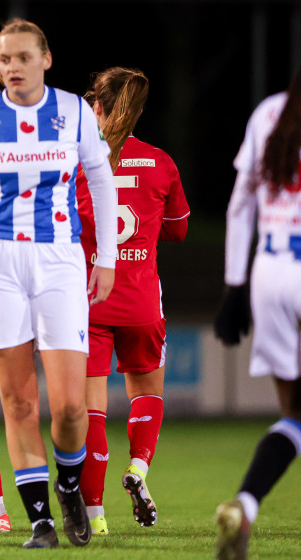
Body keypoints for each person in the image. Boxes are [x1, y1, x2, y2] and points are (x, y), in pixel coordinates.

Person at [0, 18, 117, 548]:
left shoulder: (73, 112)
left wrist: (107, 257)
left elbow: (101, 180)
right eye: (5, 60)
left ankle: (68, 486)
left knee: (69, 406)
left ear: (46, 59)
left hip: (59, 261)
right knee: (19, 402)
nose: (13, 68)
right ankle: (41, 522)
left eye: (23, 57)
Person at [74, 67, 190, 536]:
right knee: (146, 394)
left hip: (89, 298)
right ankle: (138, 467)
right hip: (141, 299)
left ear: (97, 106)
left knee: (91, 411)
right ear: (138, 111)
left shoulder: (77, 161)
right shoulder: (160, 162)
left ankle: (95, 517)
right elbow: (179, 230)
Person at [214, 67, 301, 560]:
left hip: (270, 271)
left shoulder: (269, 113)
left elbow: (240, 202)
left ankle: (245, 504)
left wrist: (235, 284)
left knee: (294, 415)